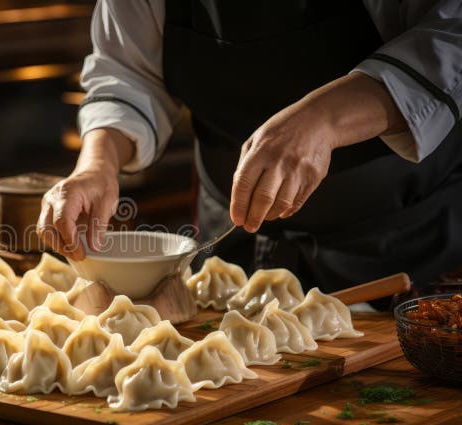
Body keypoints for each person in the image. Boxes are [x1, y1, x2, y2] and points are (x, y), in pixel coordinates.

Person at [37, 0, 462, 293]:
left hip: (400, 246)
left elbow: (450, 34)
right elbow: (127, 72)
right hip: (229, 246)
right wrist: (97, 165)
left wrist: (323, 118)